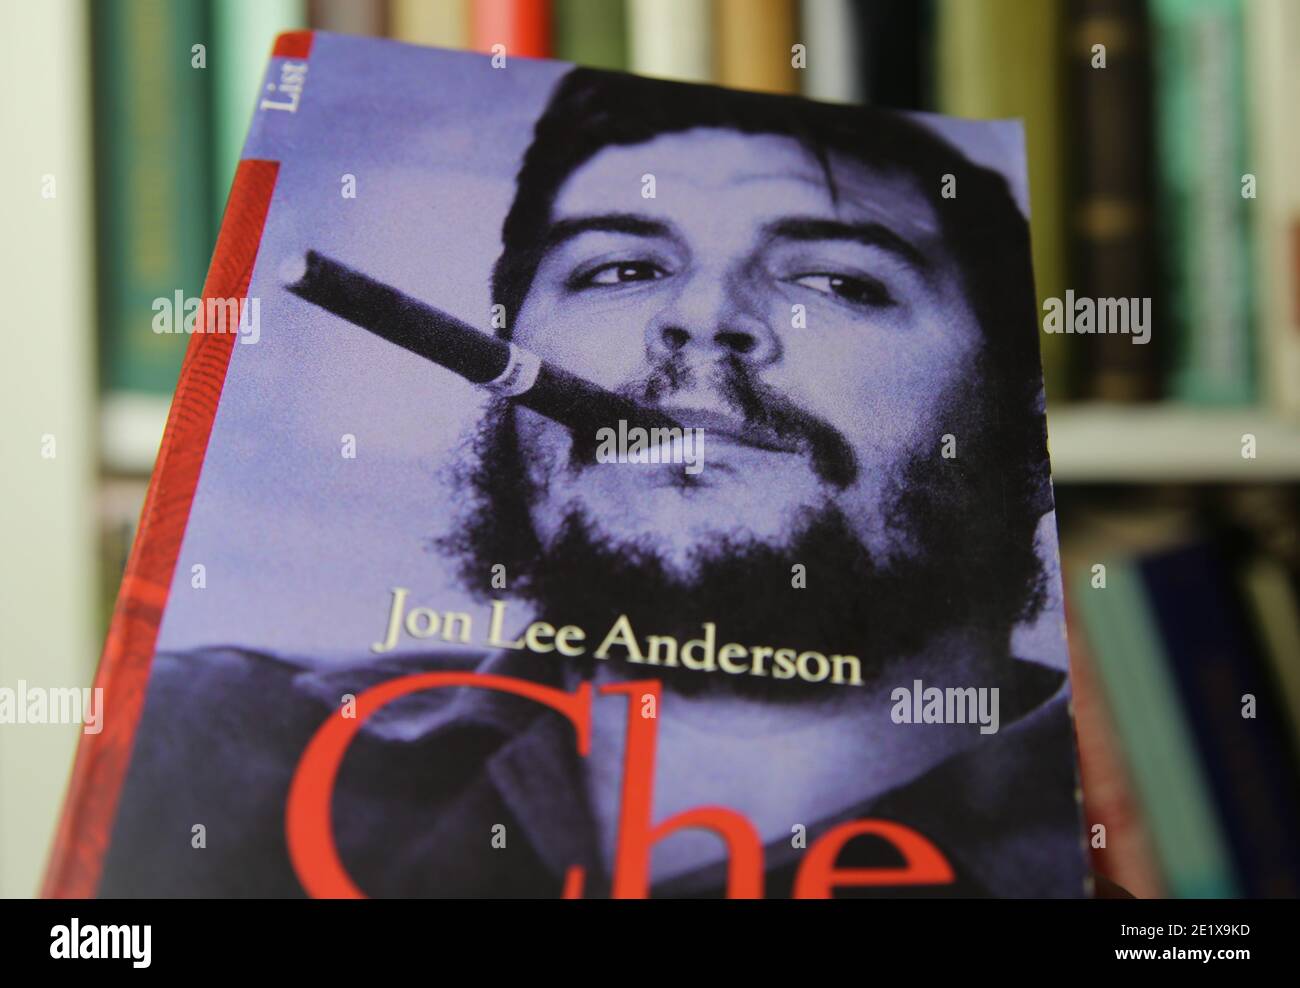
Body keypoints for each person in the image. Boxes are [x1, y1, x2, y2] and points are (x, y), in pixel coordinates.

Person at [99, 69, 1086, 898]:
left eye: (838, 281)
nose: (699, 319)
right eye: (617, 269)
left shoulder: (1118, 842)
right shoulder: (202, 739)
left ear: (1029, 434)